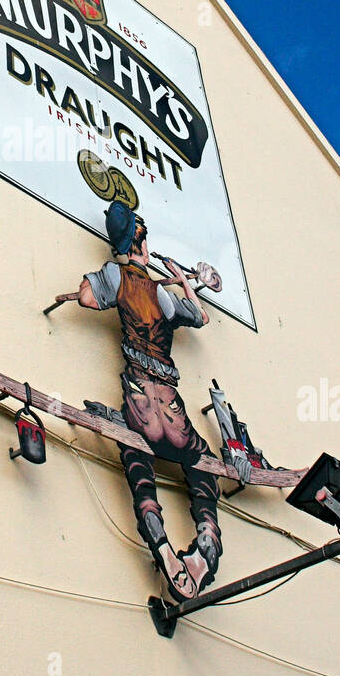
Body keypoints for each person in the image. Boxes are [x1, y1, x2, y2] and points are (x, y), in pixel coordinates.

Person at [78, 202, 250, 602]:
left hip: (139, 400)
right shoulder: (161, 293)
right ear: (142, 241)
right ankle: (207, 547)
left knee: (138, 457)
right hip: (172, 407)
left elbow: (87, 298)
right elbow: (201, 317)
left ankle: (160, 545)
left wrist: (102, 283)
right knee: (200, 465)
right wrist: (181, 282)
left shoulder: (115, 275)